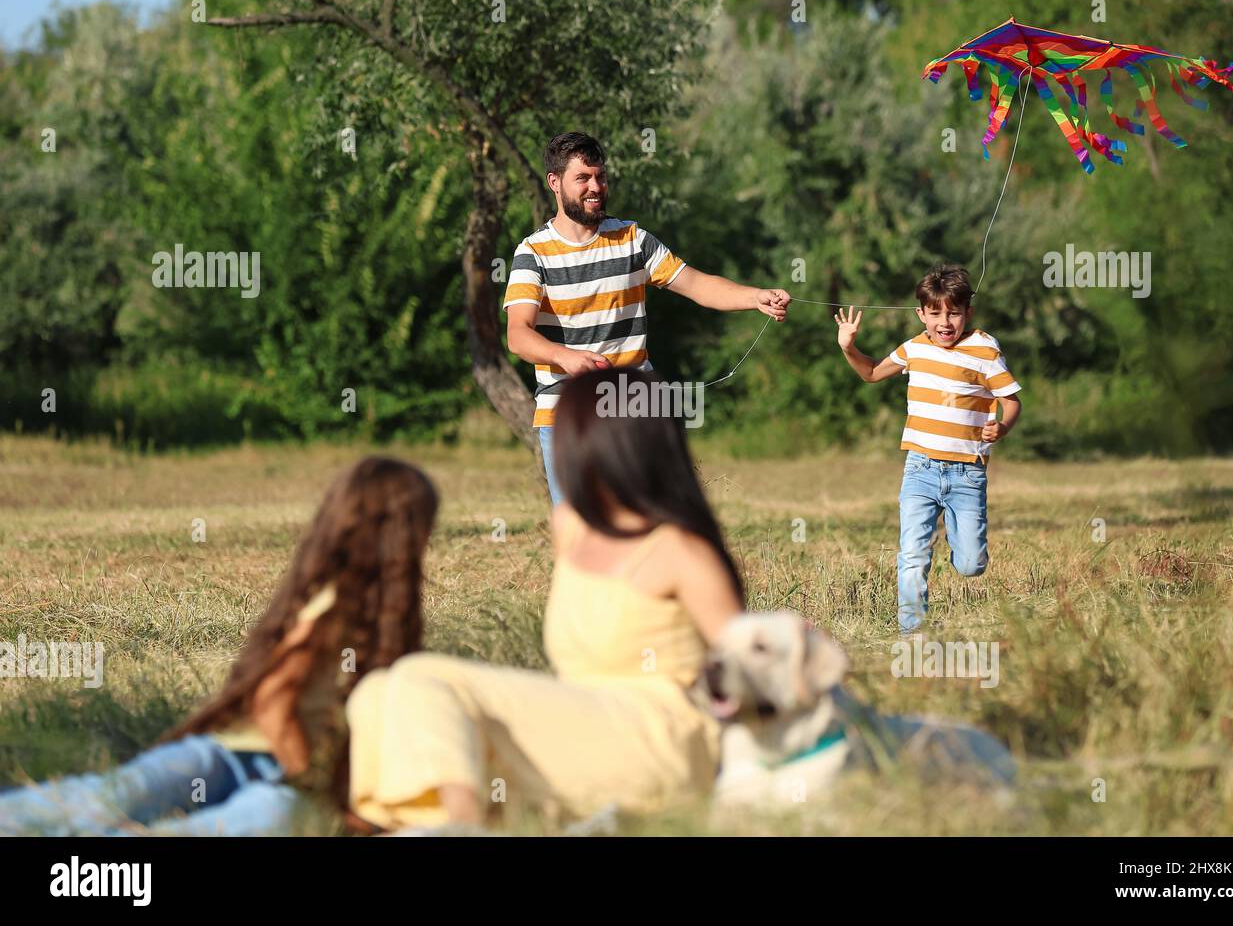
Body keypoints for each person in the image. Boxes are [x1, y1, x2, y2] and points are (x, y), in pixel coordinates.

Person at [346, 367, 745, 830]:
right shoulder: (571, 528)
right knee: (375, 694)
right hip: (584, 722)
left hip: (659, 742)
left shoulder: (680, 552)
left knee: (420, 677)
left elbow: (752, 666)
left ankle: (464, 825)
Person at [0, 457, 437, 835]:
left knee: (110, 802)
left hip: (236, 762)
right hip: (243, 761)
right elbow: (274, 700)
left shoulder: (362, 613)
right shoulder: (334, 609)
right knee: (111, 801)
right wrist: (306, 780)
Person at [503, 131, 791, 504]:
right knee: (581, 532)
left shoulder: (633, 239)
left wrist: (755, 297)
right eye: (583, 179)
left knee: (647, 523)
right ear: (554, 183)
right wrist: (565, 357)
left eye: (601, 177)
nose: (596, 187)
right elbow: (518, 334)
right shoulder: (532, 253)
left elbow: (697, 284)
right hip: (566, 414)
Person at [834, 264, 1023, 634]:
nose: (945, 322)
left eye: (953, 312)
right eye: (935, 313)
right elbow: (871, 373)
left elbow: (1012, 400)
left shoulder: (984, 348)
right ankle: (912, 631)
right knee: (913, 554)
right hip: (920, 469)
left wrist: (1002, 426)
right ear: (921, 313)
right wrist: (849, 346)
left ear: (968, 311)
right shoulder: (914, 348)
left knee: (971, 564)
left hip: (967, 471)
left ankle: (958, 539)